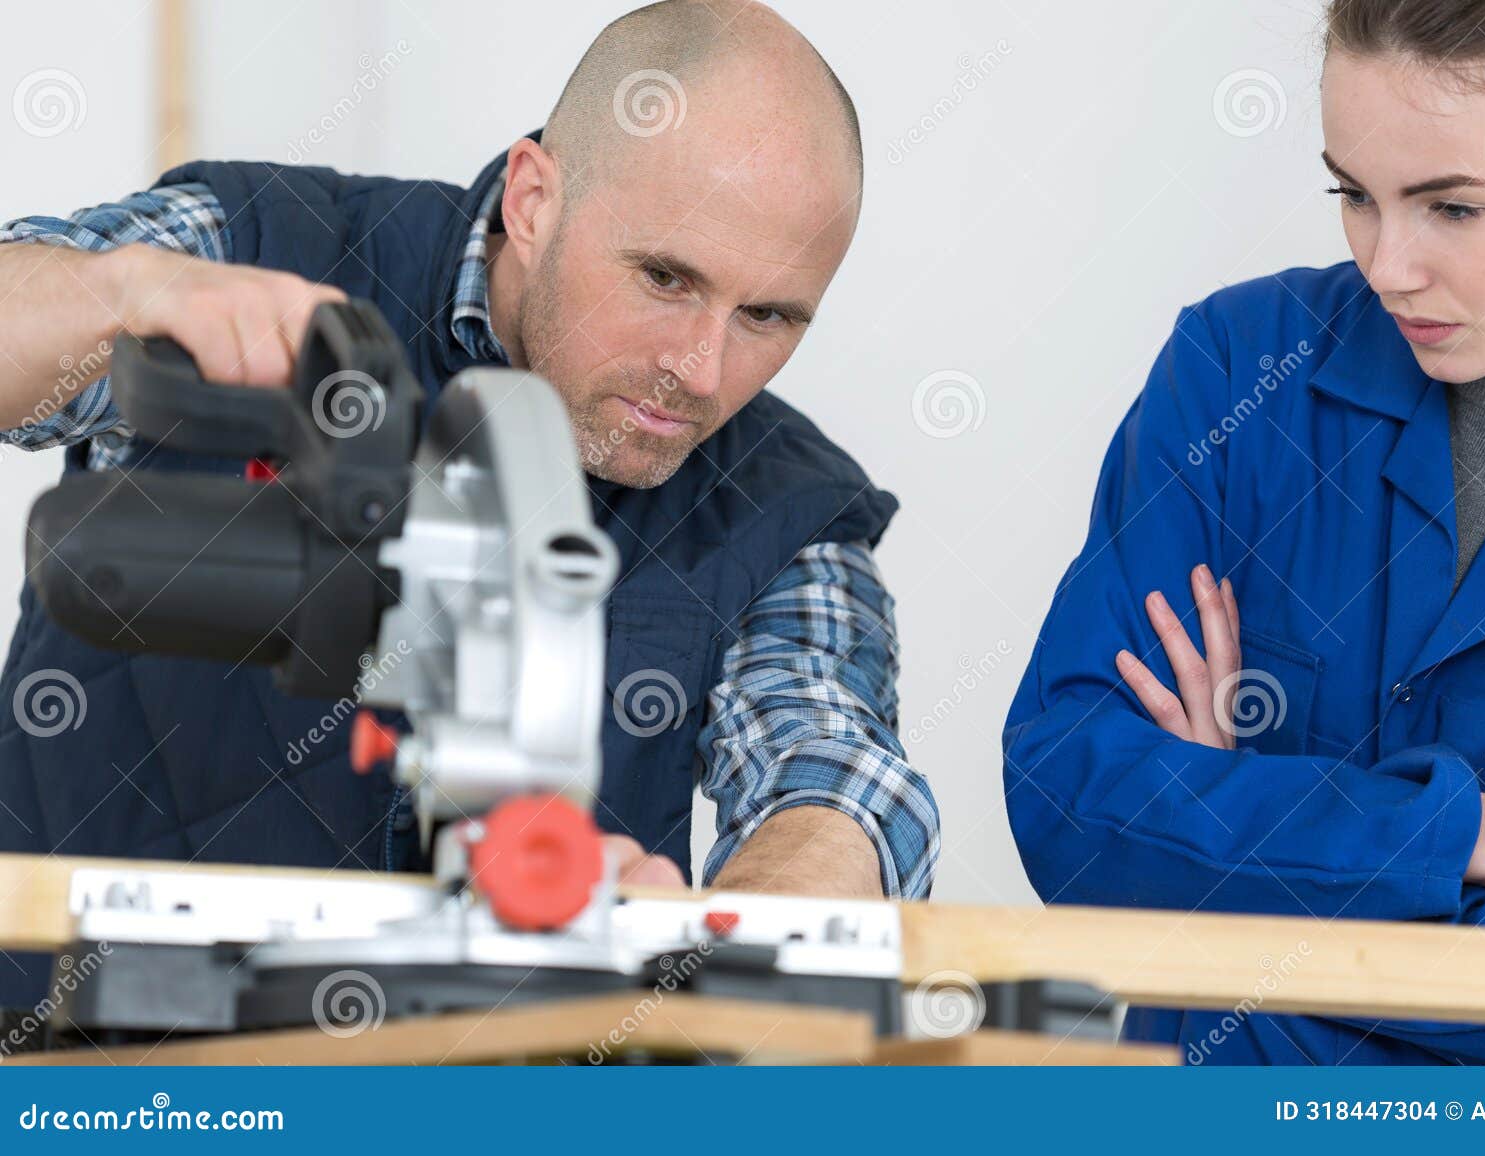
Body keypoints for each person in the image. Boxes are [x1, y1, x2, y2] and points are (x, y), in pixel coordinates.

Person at [0, 0, 939, 1003]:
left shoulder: (786, 505)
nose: (699, 372)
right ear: (533, 198)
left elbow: (836, 784)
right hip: (76, 1057)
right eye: (665, 277)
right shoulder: (262, 241)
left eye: (767, 314)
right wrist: (121, 298)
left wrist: (719, 945)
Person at [1005, 0, 1485, 1064]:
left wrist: (1225, 854)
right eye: (1352, 194)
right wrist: (1475, 836)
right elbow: (1072, 796)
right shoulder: (1239, 366)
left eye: (1451, 208)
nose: (1387, 266)